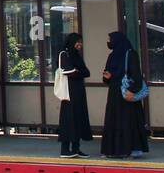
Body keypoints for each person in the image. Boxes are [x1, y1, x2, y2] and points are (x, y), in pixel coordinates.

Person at [100, 31, 150, 159]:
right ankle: (115, 150)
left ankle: (131, 148)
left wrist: (132, 90)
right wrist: (107, 77)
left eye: (110, 39)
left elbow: (136, 75)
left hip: (126, 94)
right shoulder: (111, 56)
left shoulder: (130, 54)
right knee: (116, 121)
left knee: (128, 121)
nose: (109, 42)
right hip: (114, 94)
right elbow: (108, 76)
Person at [55, 32, 92, 159]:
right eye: (78, 42)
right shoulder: (64, 54)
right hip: (69, 92)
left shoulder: (76, 55)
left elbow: (86, 72)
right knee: (68, 119)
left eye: (81, 42)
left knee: (79, 118)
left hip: (79, 92)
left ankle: (76, 148)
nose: (80, 45)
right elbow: (68, 71)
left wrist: (77, 72)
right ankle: (65, 149)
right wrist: (77, 72)